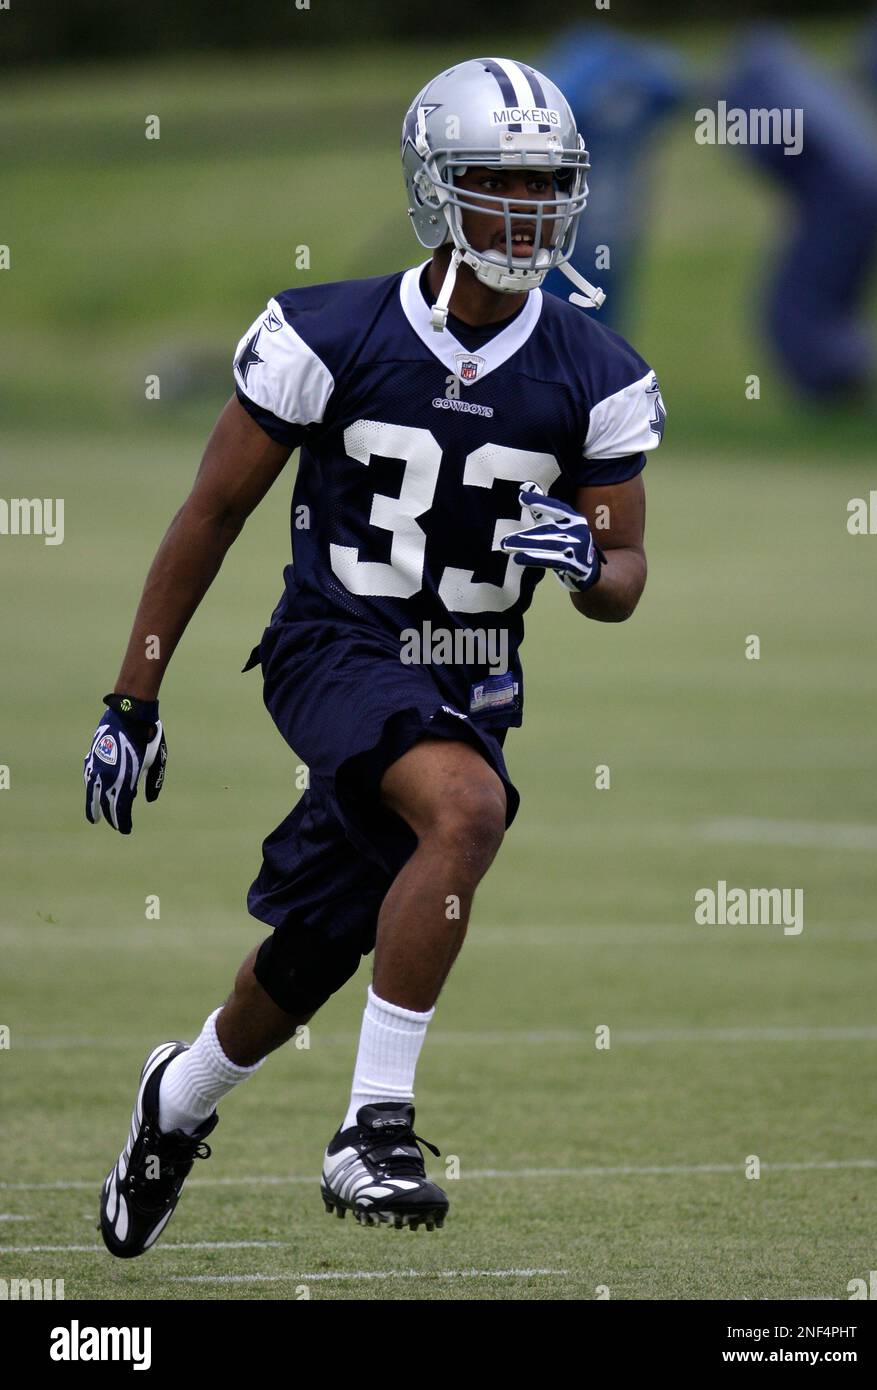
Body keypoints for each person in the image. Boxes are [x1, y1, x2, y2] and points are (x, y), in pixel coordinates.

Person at [84, 55, 666, 1258]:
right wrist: (131, 697)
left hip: (469, 676)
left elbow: (622, 580)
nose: (526, 212)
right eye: (496, 184)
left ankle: (175, 1101)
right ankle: (373, 1128)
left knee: (318, 942)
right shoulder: (328, 329)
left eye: (546, 186)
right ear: (436, 187)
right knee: (467, 807)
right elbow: (210, 514)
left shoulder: (596, 372)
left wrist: (582, 560)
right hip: (332, 643)